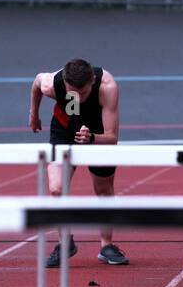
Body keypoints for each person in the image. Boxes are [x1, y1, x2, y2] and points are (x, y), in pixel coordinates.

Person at [29, 58, 128, 267]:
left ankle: (106, 245)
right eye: (73, 92)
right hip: (64, 132)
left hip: (97, 132)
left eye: (83, 93)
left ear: (92, 81)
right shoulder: (53, 84)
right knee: (56, 189)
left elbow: (112, 138)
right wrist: (34, 114)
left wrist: (91, 138)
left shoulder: (107, 86)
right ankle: (65, 242)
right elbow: (37, 81)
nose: (78, 97)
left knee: (104, 190)